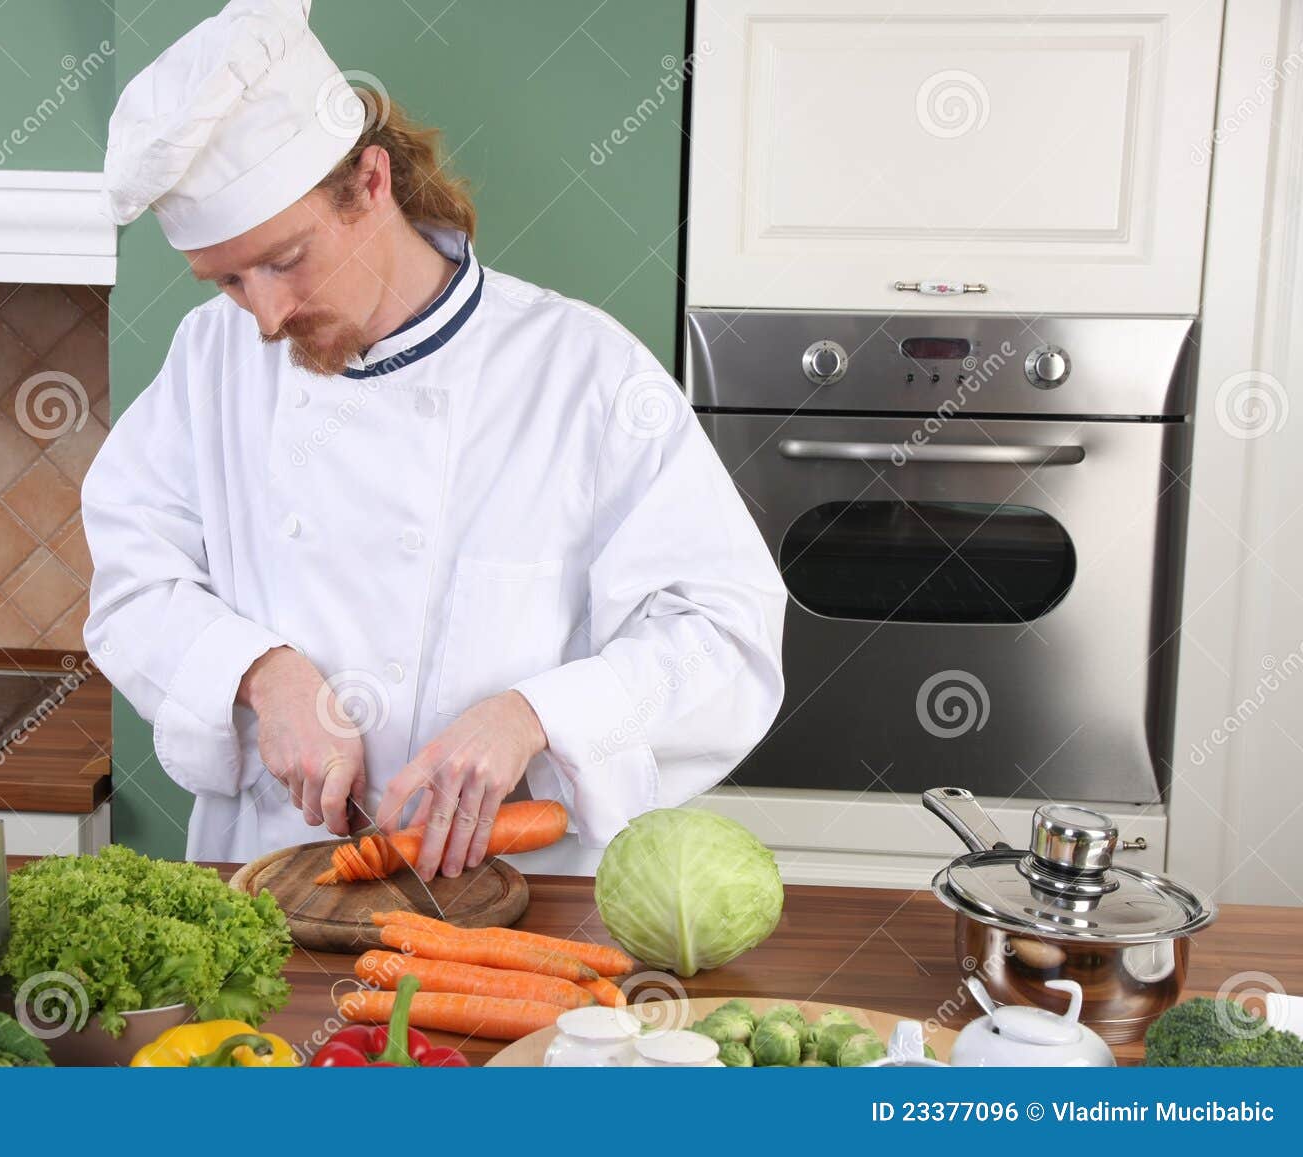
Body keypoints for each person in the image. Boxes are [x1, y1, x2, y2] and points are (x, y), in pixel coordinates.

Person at [84, 0, 786, 877]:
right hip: (271, 884)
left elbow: (724, 633)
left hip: (518, 892)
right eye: (226, 279)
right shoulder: (206, 361)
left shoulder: (583, 372)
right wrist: (260, 671)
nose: (265, 316)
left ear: (370, 185)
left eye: (285, 259)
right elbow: (131, 585)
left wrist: (535, 713)